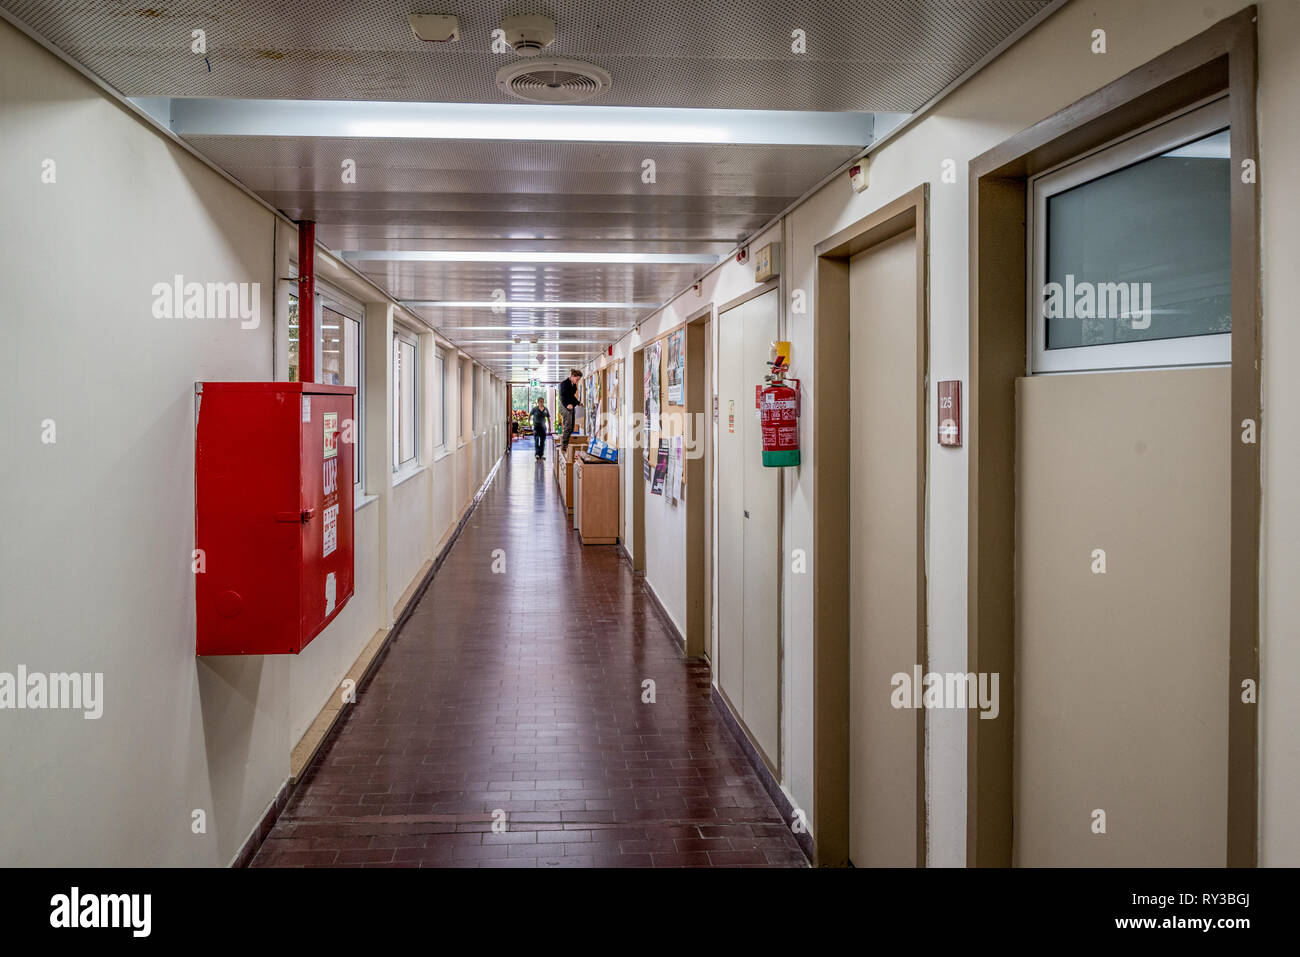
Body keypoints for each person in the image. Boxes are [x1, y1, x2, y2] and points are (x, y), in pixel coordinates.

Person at [558, 369, 582, 451]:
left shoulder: (573, 385)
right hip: (564, 405)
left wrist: (578, 403)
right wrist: (567, 405)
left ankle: (566, 444)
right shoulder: (564, 384)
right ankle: (564, 447)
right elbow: (562, 396)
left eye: (579, 380)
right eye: (577, 379)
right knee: (568, 427)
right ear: (572, 376)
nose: (577, 381)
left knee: (571, 427)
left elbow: (572, 396)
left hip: (571, 405)